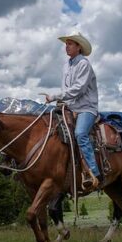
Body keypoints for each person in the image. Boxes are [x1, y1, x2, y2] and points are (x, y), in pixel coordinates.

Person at [44, 33, 101, 189]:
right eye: (66, 44)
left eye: (70, 44)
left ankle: (93, 172)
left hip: (86, 108)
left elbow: (78, 89)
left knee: (80, 133)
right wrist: (63, 101)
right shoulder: (67, 65)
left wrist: (56, 96)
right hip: (71, 106)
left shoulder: (84, 64)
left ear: (78, 47)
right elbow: (67, 89)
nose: (66, 46)